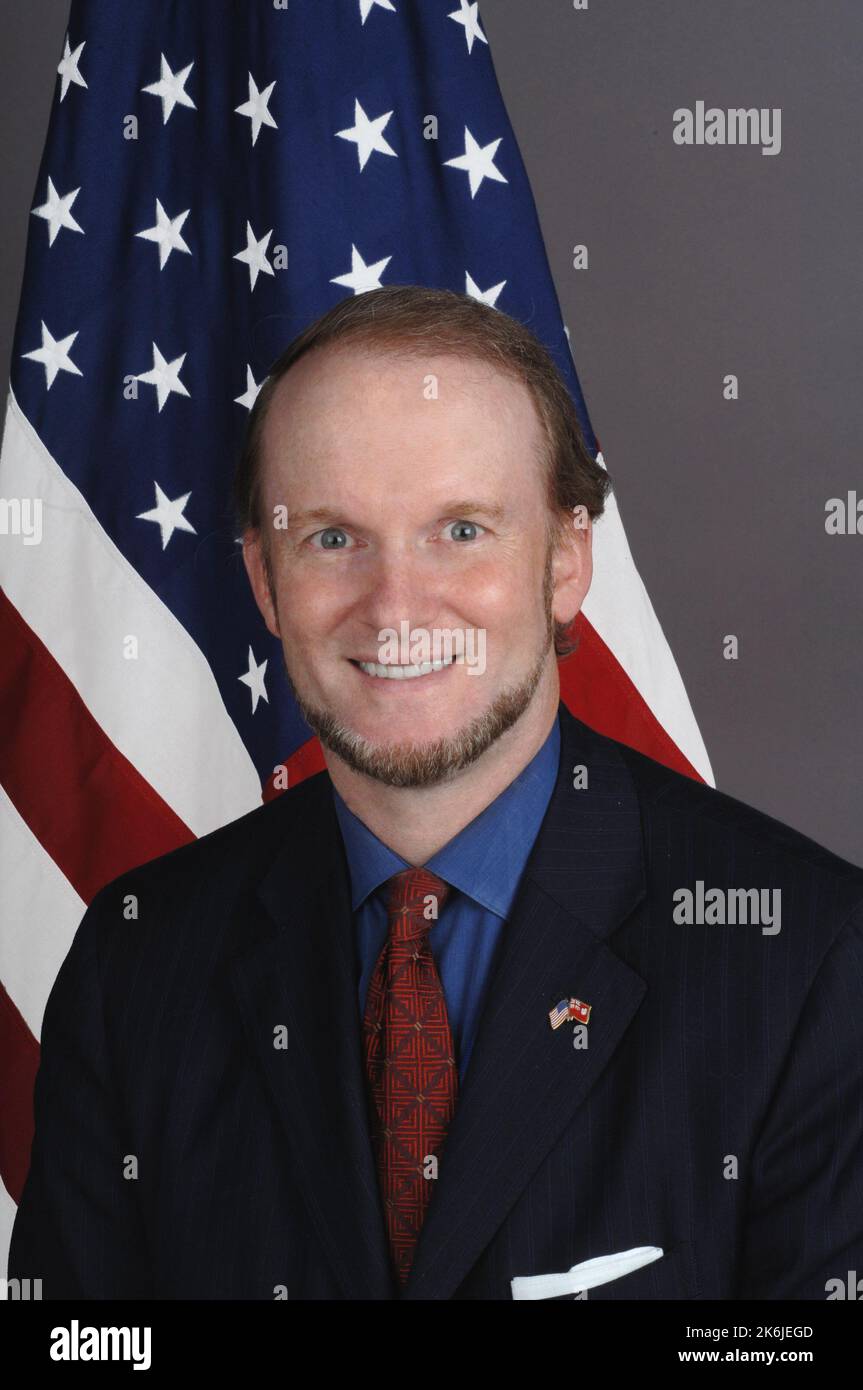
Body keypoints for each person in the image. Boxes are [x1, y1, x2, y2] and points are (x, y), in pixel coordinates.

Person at [9, 286, 863, 1300]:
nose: (396, 605)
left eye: (459, 529)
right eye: (333, 537)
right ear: (263, 580)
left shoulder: (807, 959)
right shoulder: (137, 958)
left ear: (565, 560)